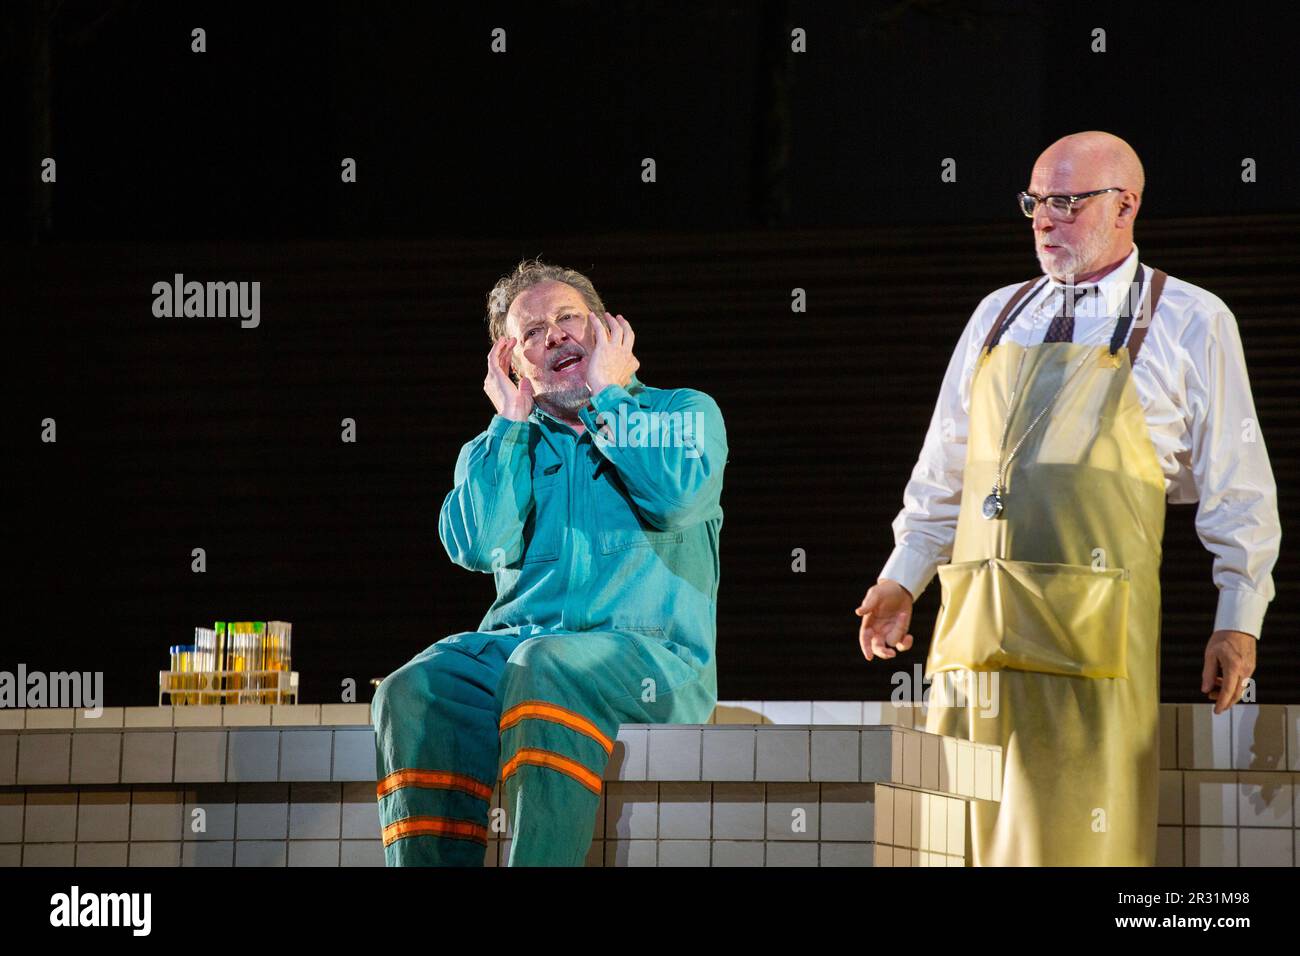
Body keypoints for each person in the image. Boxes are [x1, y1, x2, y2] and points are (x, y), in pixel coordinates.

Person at [855, 131, 1280, 866]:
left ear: (1126, 205)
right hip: (973, 645)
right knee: (951, 843)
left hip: (1091, 646)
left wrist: (1238, 617)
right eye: (1034, 203)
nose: (1043, 219)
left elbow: (1238, 489)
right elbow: (943, 469)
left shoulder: (1192, 318)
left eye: (1064, 202)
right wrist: (903, 576)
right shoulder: (995, 314)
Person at [372, 259, 727, 866]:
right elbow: (478, 544)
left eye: (568, 318)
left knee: (546, 665)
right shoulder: (501, 445)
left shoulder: (681, 413)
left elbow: (676, 498)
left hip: (652, 661)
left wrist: (610, 397)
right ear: (512, 363)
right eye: (531, 333)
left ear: (608, 332)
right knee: (413, 689)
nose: (555, 335)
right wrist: (508, 426)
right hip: (521, 656)